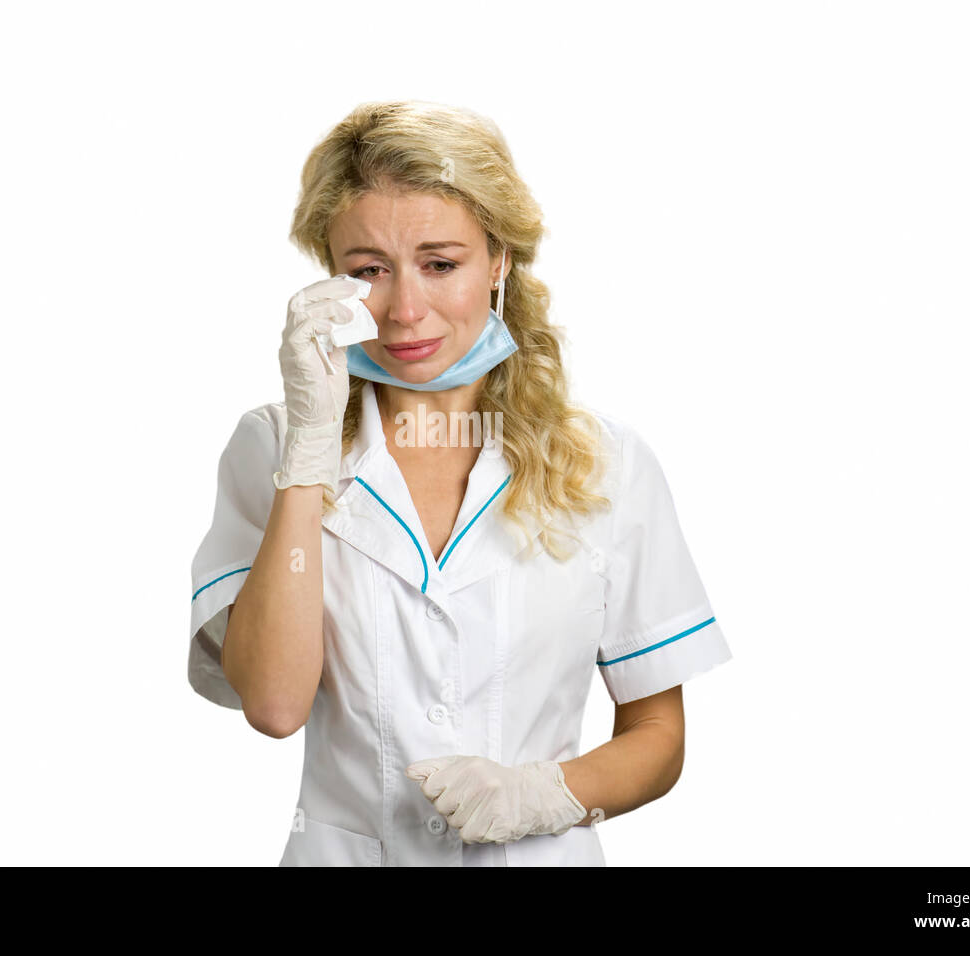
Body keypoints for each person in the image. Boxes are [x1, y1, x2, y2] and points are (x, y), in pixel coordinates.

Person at [187, 100, 732, 866]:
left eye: (442, 263)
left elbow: (659, 737)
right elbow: (275, 706)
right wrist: (311, 452)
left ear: (499, 259)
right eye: (368, 271)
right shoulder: (275, 447)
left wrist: (546, 794)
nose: (405, 310)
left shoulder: (604, 461)